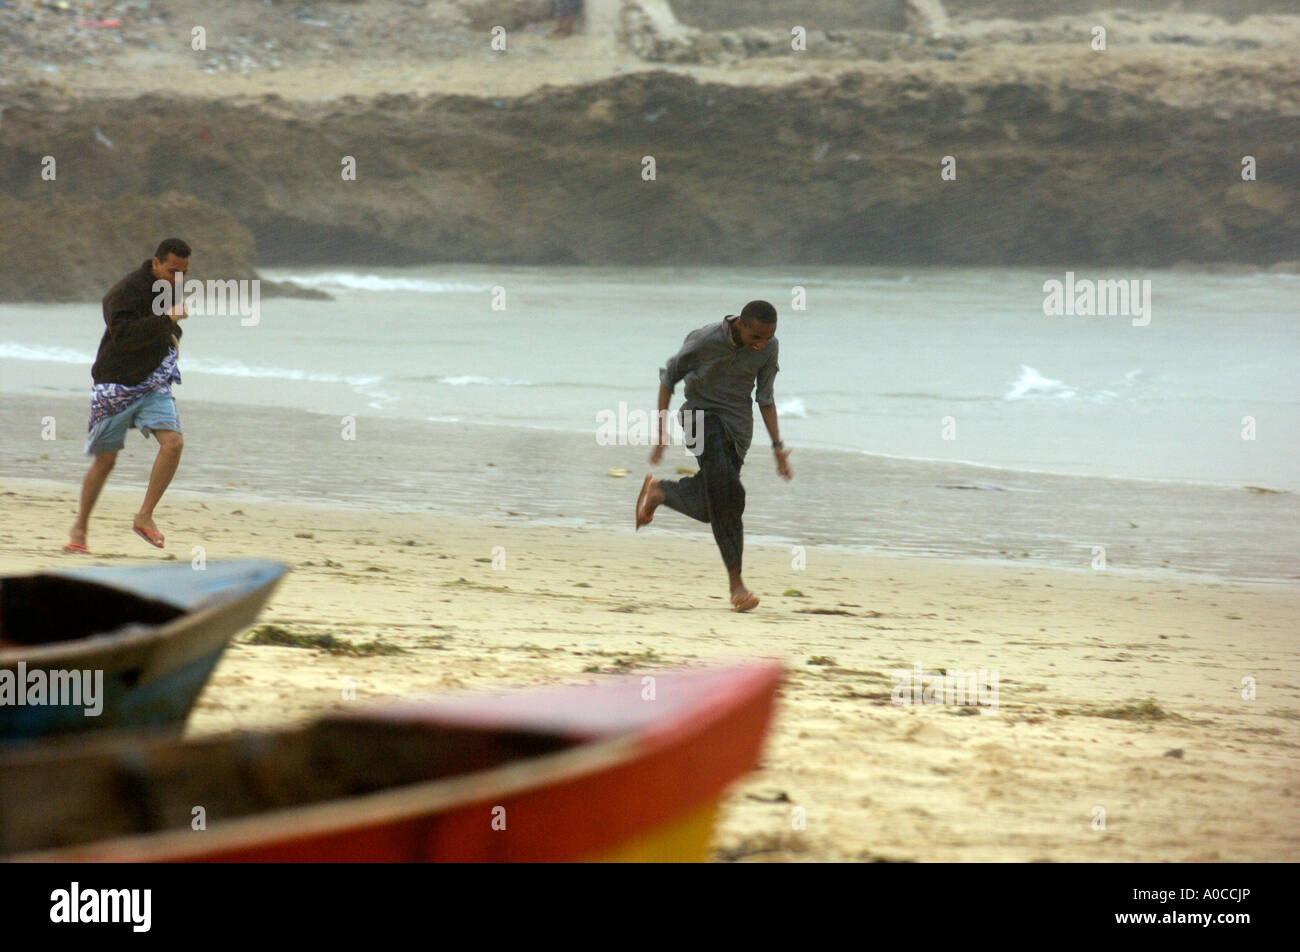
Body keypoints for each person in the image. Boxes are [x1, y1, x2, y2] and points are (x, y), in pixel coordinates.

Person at [635, 300, 793, 612]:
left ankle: (662, 492)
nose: (761, 344)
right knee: (729, 493)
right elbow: (669, 379)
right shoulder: (705, 341)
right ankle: (737, 586)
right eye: (755, 337)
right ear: (741, 325)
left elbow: (765, 397)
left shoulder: (768, 346)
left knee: (715, 505)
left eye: (768, 336)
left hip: (737, 431)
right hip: (698, 418)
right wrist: (660, 433)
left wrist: (778, 448)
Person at [65, 238, 191, 553]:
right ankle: (80, 527)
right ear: (157, 262)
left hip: (151, 383)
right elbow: (123, 337)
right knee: (105, 461)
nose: (179, 279)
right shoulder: (123, 291)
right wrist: (168, 321)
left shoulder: (170, 287)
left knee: (173, 444)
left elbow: (167, 329)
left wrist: (173, 338)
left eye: (184, 273)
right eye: (173, 271)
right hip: (115, 382)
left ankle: (144, 516)